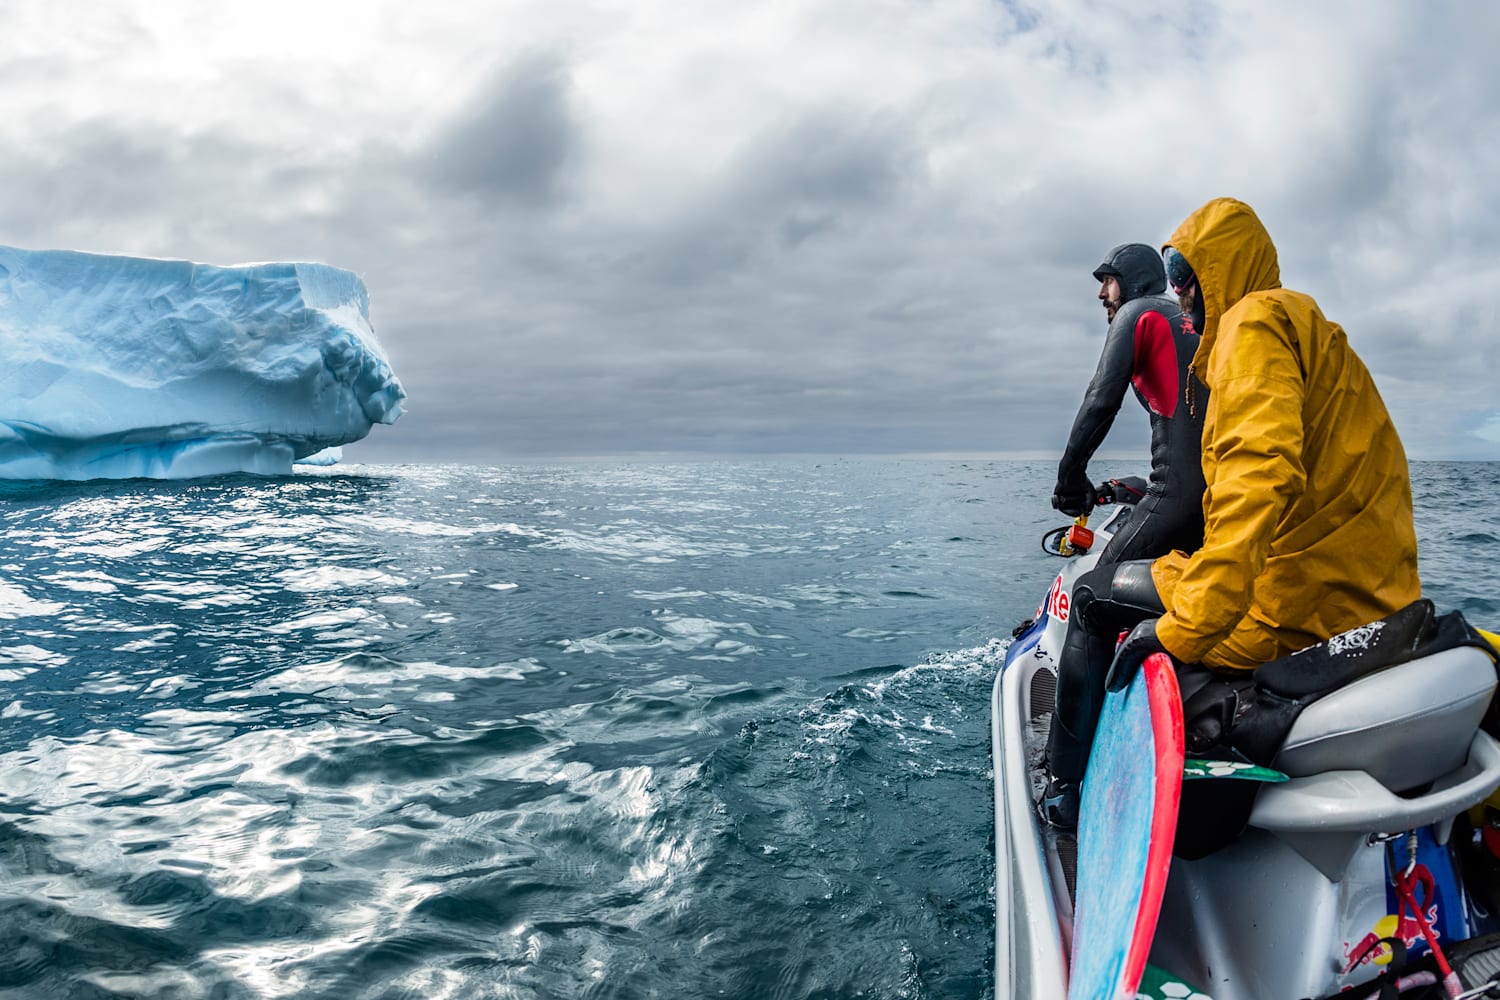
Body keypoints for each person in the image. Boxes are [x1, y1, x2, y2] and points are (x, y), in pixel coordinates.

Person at [1040, 198, 1422, 829]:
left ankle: (1061, 795)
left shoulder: (1248, 326)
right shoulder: (1313, 327)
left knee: (1091, 599)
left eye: (1188, 268)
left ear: (1224, 269)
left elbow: (1256, 479)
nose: (1180, 287)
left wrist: (1184, 626)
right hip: (1372, 594)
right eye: (1172, 268)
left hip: (1297, 603)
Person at [1052, 243, 1206, 566]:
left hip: (1177, 500)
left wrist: (1069, 480)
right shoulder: (1190, 318)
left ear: (1134, 280)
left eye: (1108, 281)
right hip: (1217, 504)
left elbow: (1100, 401)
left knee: (1090, 594)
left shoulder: (1137, 313)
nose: (1101, 294)